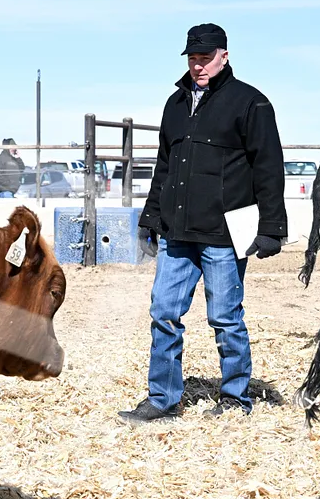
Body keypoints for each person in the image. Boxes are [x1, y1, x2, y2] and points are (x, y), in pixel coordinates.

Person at [120, 22, 287, 423]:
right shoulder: (174, 105)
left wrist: (271, 228)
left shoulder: (251, 103)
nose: (198, 65)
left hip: (224, 235)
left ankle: (234, 399)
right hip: (177, 233)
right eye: (193, 58)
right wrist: (151, 217)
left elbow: (269, 167)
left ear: (224, 56)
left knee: (226, 316)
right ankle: (162, 399)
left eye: (206, 57)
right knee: (163, 312)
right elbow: (164, 166)